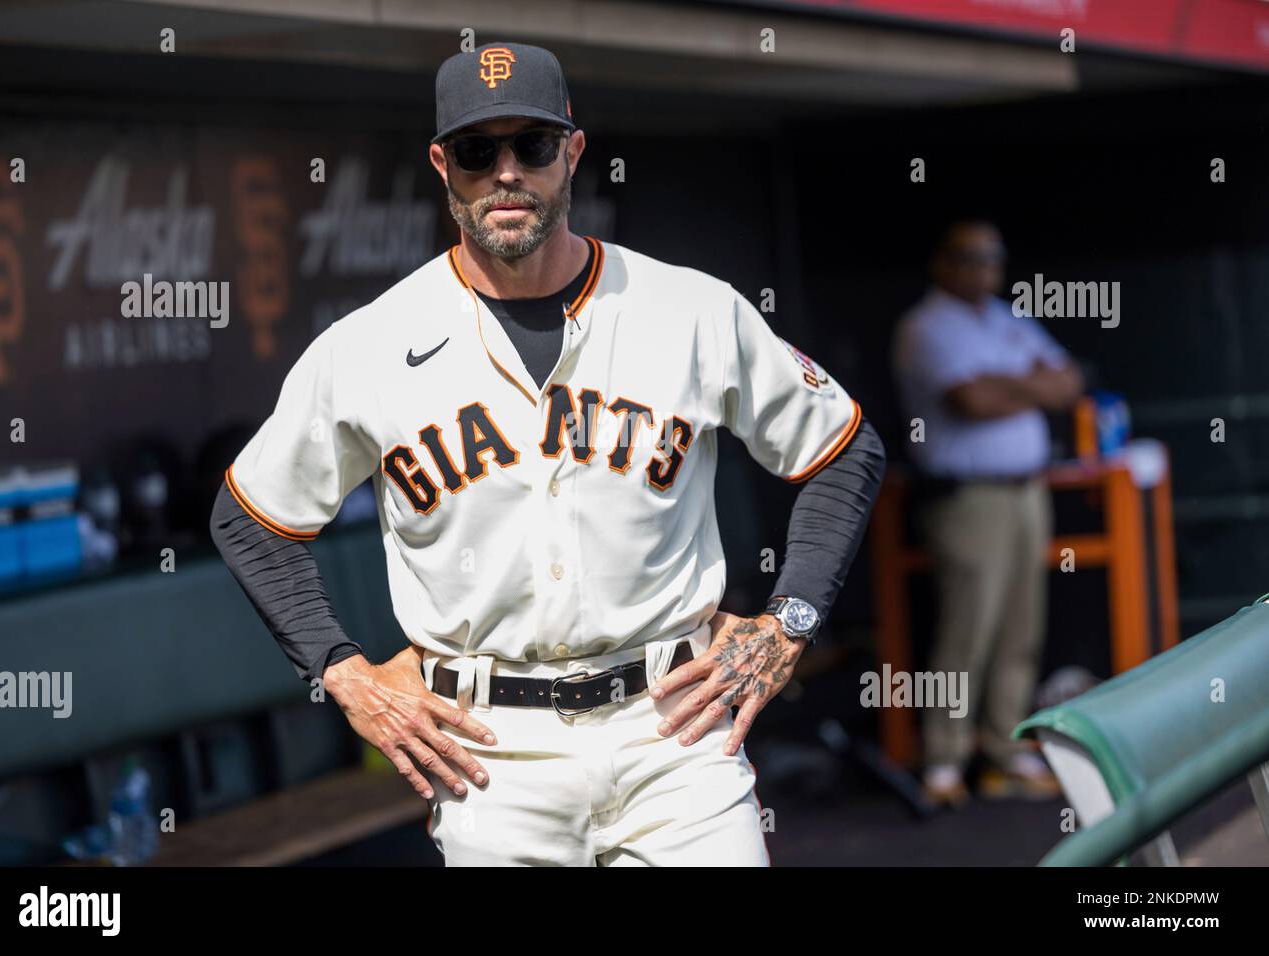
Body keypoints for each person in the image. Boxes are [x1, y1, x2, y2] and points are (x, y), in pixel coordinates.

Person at [212, 42, 884, 866]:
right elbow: (251, 518)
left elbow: (844, 450)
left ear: (572, 151)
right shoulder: (367, 345)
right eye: (476, 150)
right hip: (488, 752)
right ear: (441, 163)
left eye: (530, 145)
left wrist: (788, 627)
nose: (505, 172)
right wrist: (345, 674)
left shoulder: (692, 309)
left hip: (673, 732)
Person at [893, 221, 1083, 807]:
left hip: (1027, 490)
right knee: (966, 628)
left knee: (1021, 626)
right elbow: (970, 401)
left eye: (992, 258)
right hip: (966, 496)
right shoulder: (926, 325)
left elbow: (1069, 381)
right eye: (969, 258)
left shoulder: (1006, 318)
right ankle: (945, 761)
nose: (983, 268)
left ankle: (1005, 748)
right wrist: (1030, 383)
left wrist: (1010, 384)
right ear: (941, 263)